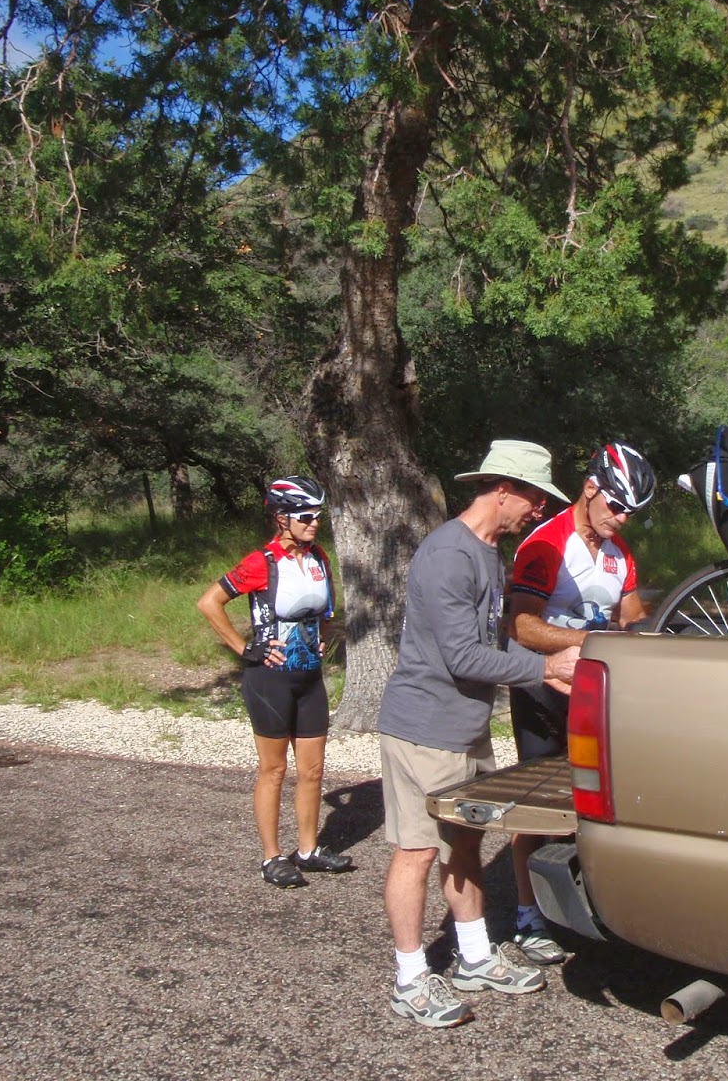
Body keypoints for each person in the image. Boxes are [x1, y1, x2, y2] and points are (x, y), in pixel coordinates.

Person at [378, 440, 579, 1028]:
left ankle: (472, 957)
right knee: (416, 852)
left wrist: (568, 654)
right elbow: (464, 656)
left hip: (465, 729)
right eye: (535, 498)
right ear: (503, 489)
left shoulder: (491, 554)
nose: (538, 511)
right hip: (422, 729)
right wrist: (545, 669)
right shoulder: (448, 554)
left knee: (464, 844)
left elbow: (496, 644)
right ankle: (411, 980)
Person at [505, 441, 656, 963]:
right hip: (541, 688)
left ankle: (590, 896)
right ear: (591, 488)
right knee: (537, 798)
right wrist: (589, 644)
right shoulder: (546, 543)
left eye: (631, 512)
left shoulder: (619, 554)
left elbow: (631, 619)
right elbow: (520, 625)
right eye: (615, 505)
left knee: (596, 798)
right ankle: (526, 914)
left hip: (592, 696)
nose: (621, 518)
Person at [196, 475, 354, 889]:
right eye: (305, 515)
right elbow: (208, 602)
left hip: (309, 677)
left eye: (319, 515)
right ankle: (270, 857)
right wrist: (243, 648)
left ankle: (308, 849)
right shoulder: (260, 562)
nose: (314, 522)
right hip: (269, 679)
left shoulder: (318, 557)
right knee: (273, 769)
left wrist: (321, 633)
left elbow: (322, 610)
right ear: (281, 518)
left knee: (314, 770)